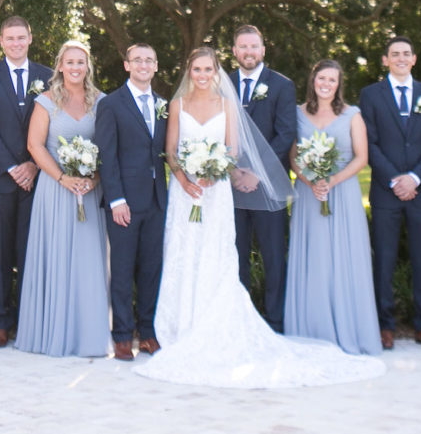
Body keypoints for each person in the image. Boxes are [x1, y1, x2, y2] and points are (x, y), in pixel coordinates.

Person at [135, 47, 384, 388]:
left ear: (216, 71)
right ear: (189, 72)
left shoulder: (226, 105)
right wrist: (184, 178)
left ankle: (217, 325)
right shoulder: (176, 106)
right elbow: (172, 150)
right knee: (183, 252)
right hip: (186, 192)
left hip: (217, 189)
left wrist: (214, 171)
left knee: (217, 254)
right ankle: (180, 326)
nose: (203, 74)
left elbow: (233, 150)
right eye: (197, 69)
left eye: (209, 68)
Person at [14, 40, 108, 357]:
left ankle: (89, 335)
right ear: (60, 66)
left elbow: (108, 147)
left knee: (87, 260)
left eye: (80, 62)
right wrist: (62, 177)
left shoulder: (101, 102)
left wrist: (93, 179)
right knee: (55, 257)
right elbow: (35, 145)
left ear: (88, 66)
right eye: (69, 62)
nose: (75, 68)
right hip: (55, 191)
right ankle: (52, 331)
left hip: (90, 193)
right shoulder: (46, 101)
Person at [284, 60, 382, 354]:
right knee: (313, 256)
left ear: (339, 85)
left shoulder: (352, 115)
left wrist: (332, 181)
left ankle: (347, 328)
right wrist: (311, 181)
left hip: (342, 194)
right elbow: (293, 157)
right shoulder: (297, 114)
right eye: (321, 78)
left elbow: (361, 157)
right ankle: (311, 329)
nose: (326, 84)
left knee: (343, 258)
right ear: (313, 79)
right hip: (309, 194)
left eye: (332, 80)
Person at [357, 36, 421, 349]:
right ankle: (385, 325)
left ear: (414, 58)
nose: (401, 58)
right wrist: (396, 179)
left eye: (406, 54)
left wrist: (415, 178)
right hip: (385, 191)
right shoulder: (370, 95)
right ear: (385, 60)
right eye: (395, 54)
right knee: (384, 259)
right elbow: (370, 143)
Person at [0, 16, 54, 347]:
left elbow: (54, 125)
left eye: (21, 37)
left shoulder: (47, 76)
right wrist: (12, 167)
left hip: (38, 177)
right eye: (10, 38)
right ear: (1, 41)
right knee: (2, 252)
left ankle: (30, 321)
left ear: (30, 38)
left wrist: (34, 165)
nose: (16, 43)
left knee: (31, 251)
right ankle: (1, 323)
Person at [93, 42, 169, 360]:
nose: (143, 64)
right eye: (137, 59)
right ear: (127, 65)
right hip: (124, 201)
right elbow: (106, 156)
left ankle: (148, 333)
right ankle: (122, 335)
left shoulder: (164, 105)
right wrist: (116, 200)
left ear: (155, 67)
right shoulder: (111, 104)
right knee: (122, 270)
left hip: (157, 200)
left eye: (148, 60)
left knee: (151, 269)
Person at [229, 24, 297, 332]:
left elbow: (286, 134)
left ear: (263, 50)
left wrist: (257, 172)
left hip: (268, 185)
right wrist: (233, 171)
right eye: (243, 47)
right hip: (232, 187)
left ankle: (275, 322)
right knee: (236, 256)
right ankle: (242, 321)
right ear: (234, 51)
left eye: (253, 47)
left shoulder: (281, 85)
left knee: (273, 257)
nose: (248, 52)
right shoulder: (223, 85)